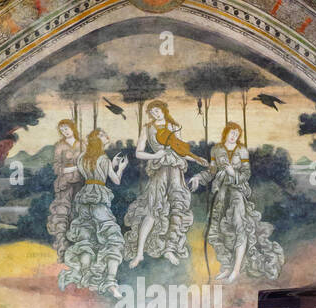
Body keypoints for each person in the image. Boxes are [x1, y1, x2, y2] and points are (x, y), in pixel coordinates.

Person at [192, 122, 284, 282]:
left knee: (239, 227)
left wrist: (232, 172)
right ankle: (227, 266)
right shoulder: (216, 149)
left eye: (237, 133)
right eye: (232, 132)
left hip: (236, 192)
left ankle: (236, 269)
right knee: (219, 231)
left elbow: (246, 173)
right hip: (220, 194)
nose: (234, 136)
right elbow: (212, 171)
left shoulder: (241, 150)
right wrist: (198, 177)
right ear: (226, 133)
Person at [124, 101, 208, 267]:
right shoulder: (147, 128)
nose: (155, 113)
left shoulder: (174, 126)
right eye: (152, 111)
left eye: (157, 110)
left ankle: (170, 248)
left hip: (176, 170)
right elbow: (138, 153)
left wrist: (198, 160)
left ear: (163, 110)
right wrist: (156, 156)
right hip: (160, 169)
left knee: (177, 208)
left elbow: (181, 150)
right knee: (153, 209)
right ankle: (140, 253)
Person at [57, 129, 128, 296]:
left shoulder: (82, 157)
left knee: (86, 240)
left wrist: (113, 164)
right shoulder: (104, 158)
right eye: (103, 135)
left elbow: (91, 172)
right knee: (112, 239)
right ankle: (110, 281)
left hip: (84, 199)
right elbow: (115, 180)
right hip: (99, 200)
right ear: (98, 140)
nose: (107, 136)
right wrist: (120, 167)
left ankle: (84, 279)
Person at [46, 119, 83, 258]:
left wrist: (81, 168)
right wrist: (71, 169)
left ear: (73, 128)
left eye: (67, 128)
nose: (65, 132)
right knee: (62, 215)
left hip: (81, 183)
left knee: (78, 214)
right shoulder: (59, 146)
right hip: (64, 184)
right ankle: (62, 249)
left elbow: (86, 162)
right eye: (62, 130)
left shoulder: (82, 144)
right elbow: (56, 167)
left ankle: (78, 249)